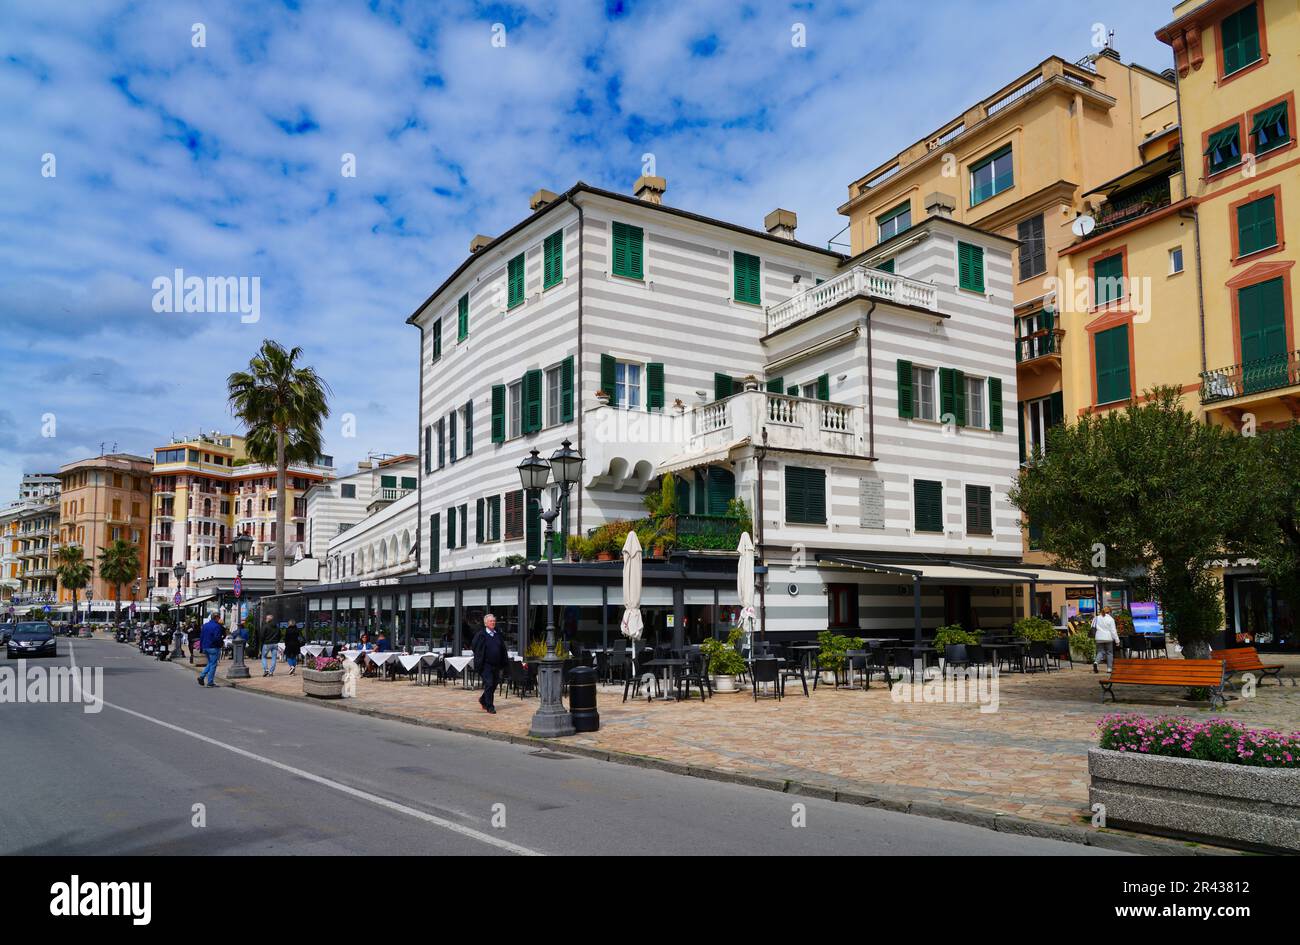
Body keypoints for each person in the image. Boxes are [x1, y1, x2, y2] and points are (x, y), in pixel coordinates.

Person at [471, 613, 508, 714]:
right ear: (486, 623)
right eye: (491, 621)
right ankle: (489, 706)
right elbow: (474, 647)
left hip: (496, 664)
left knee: (494, 684)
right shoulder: (481, 635)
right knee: (489, 683)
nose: (493, 623)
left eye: (494, 621)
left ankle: (483, 699)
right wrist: (480, 659)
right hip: (485, 665)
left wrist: (503, 661)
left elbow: (502, 648)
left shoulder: (497, 634)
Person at [197, 612, 223, 688]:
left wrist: (201, 648)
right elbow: (217, 637)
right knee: (213, 665)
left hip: (205, 647)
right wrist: (220, 644)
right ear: (216, 618)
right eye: (219, 617)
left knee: (210, 663)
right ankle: (210, 682)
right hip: (213, 647)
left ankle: (201, 676)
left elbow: (201, 637)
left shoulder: (205, 626)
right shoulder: (217, 626)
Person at [1092, 606, 1119, 673]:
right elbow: (1113, 631)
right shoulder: (1110, 619)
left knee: (1100, 652)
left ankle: (1096, 662)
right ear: (1109, 612)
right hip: (1108, 638)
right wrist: (1117, 640)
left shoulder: (1096, 618)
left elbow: (1092, 626)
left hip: (1099, 637)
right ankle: (1109, 669)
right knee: (1109, 653)